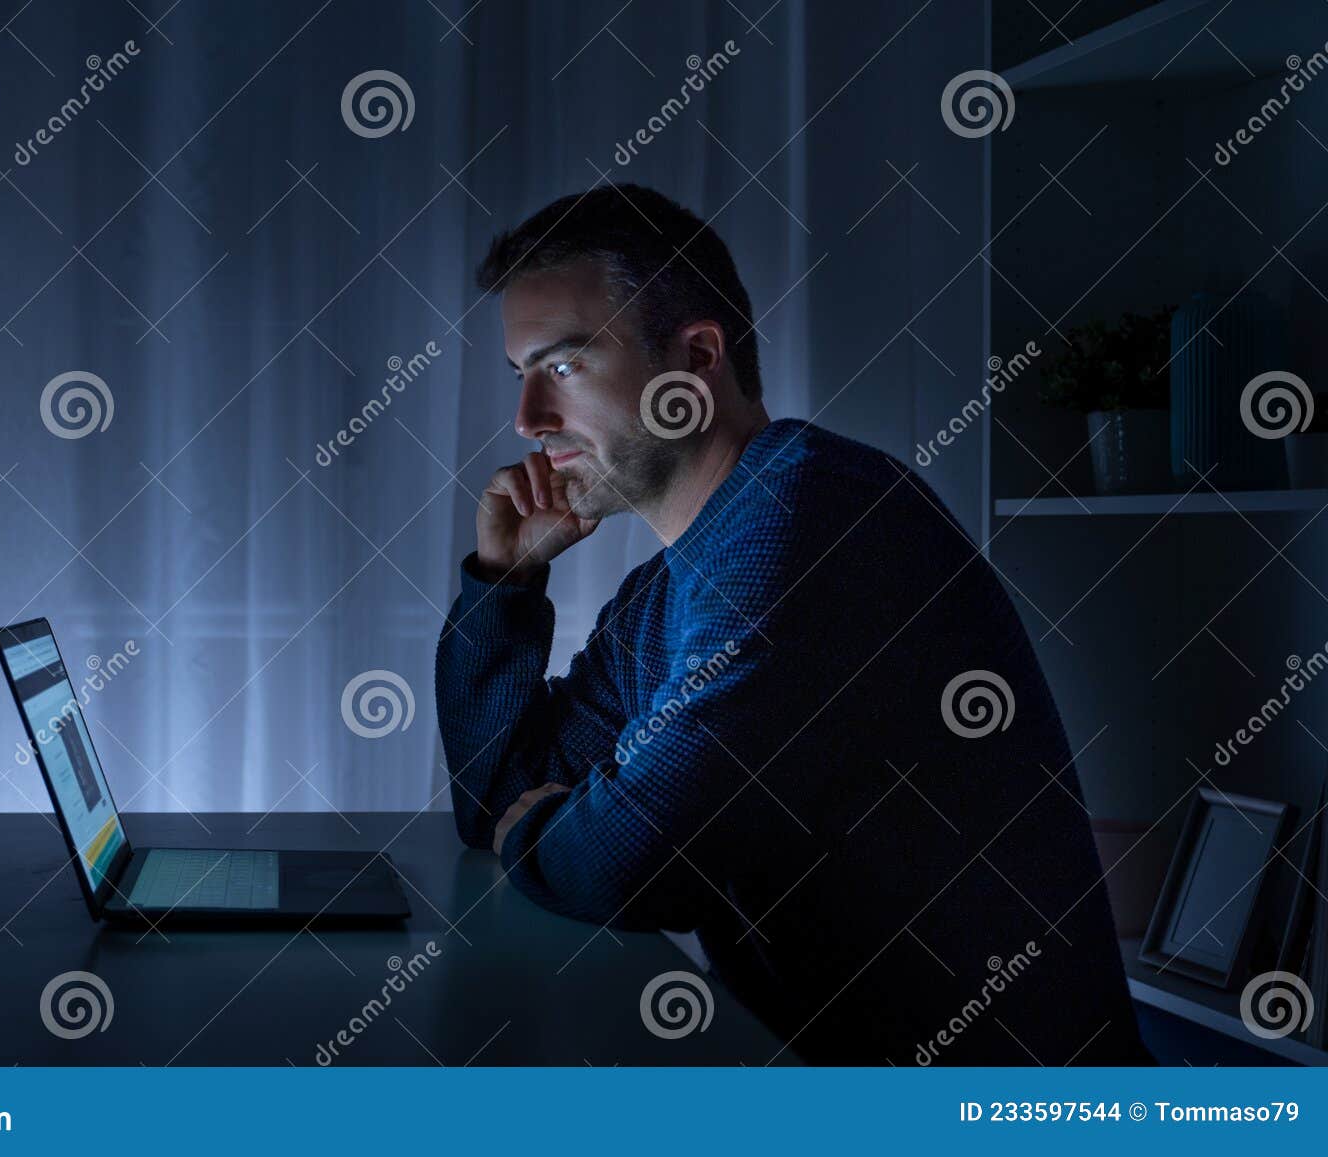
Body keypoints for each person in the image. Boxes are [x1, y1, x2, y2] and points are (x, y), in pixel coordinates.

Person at [434, 183, 1154, 1066]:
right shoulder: (666, 588)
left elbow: (637, 862)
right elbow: (497, 796)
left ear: (698, 357)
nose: (527, 420)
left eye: (565, 366)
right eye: (521, 374)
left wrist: (544, 833)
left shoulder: (815, 521)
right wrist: (505, 584)